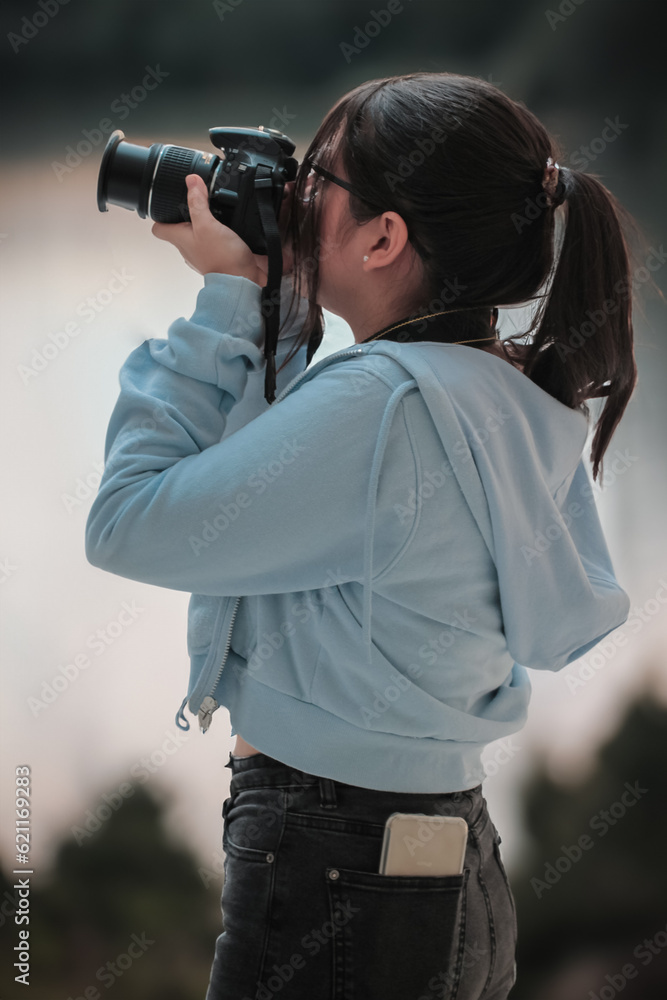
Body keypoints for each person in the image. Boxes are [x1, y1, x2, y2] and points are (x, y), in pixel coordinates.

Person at [85, 72, 638, 999]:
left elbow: (126, 523)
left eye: (318, 179)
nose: (294, 196)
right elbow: (263, 509)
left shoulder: (380, 407)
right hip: (446, 868)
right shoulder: (492, 392)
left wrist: (226, 299)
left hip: (335, 868)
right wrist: (270, 301)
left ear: (386, 236)